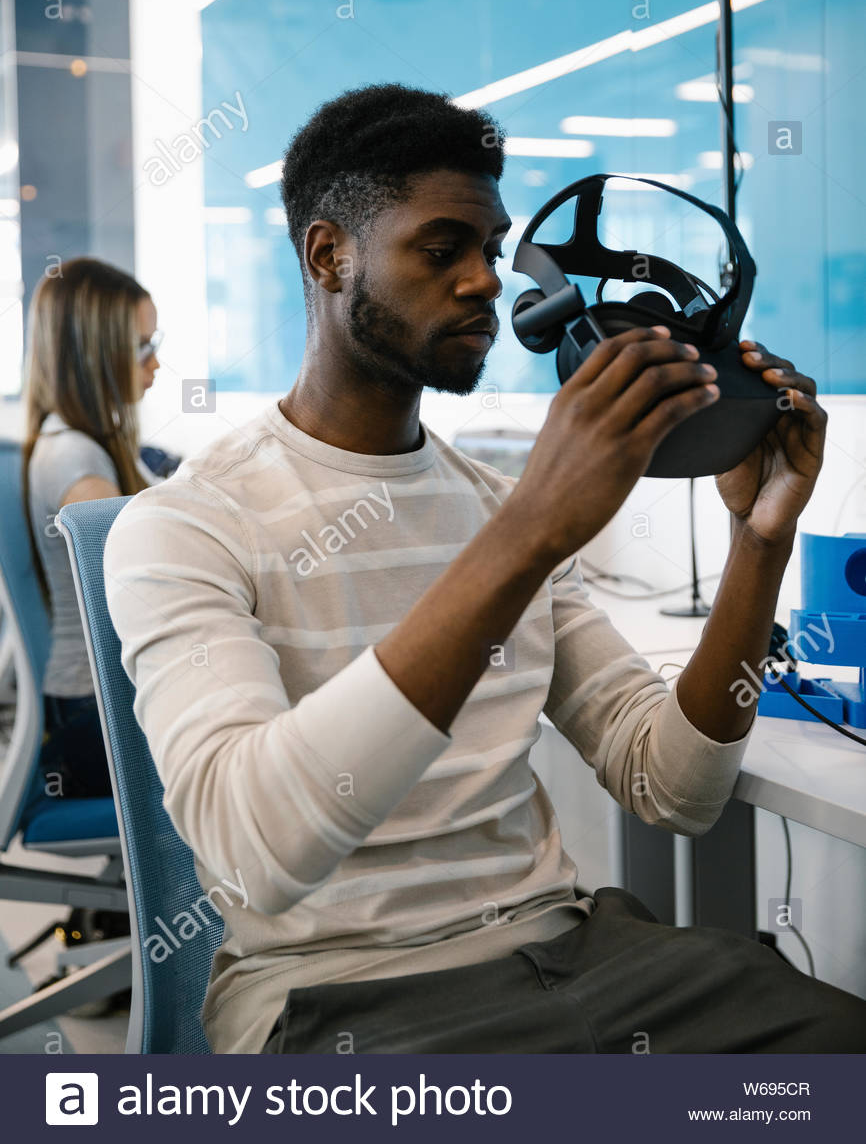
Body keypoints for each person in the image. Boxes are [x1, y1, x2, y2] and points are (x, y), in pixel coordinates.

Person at [104, 84, 866, 1054]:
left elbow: (672, 788)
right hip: (338, 1000)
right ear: (326, 254)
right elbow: (258, 854)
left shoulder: (507, 508)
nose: (482, 283)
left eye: (491, 252)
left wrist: (756, 546)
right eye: (439, 249)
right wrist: (525, 533)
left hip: (577, 958)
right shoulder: (184, 525)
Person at [23, 257, 162, 800]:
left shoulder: (83, 443)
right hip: (92, 718)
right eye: (142, 346)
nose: (156, 363)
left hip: (94, 707)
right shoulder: (77, 463)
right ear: (94, 356)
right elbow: (134, 601)